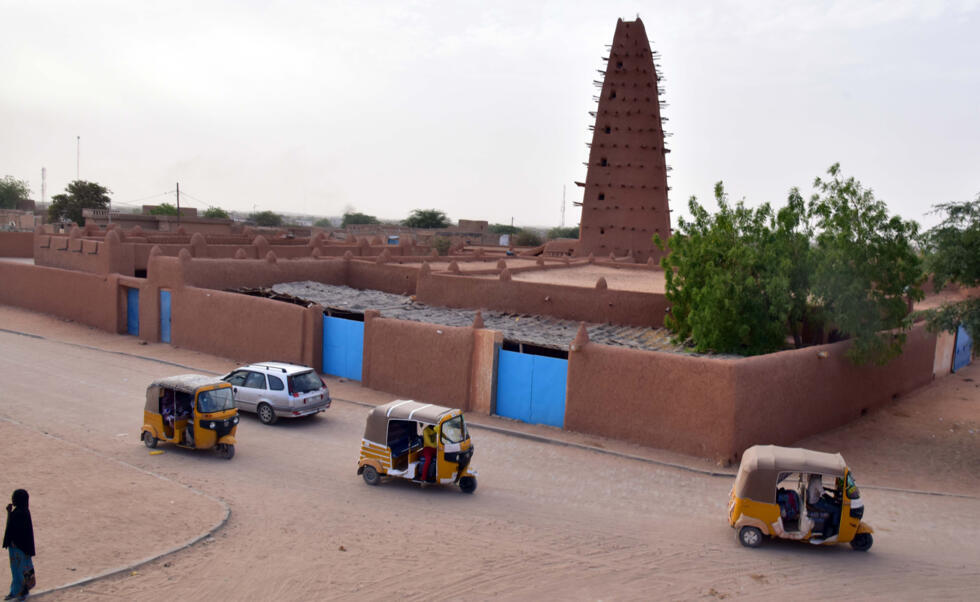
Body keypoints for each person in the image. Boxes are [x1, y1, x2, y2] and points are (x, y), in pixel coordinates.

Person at [3, 489, 35, 601]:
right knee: (23, 570)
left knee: (17, 571)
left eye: (14, 497)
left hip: (17, 548)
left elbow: (10, 530)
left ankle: (17, 593)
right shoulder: (24, 511)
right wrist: (10, 513)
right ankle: (20, 592)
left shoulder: (19, 513)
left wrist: (9, 514)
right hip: (23, 548)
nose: (12, 499)